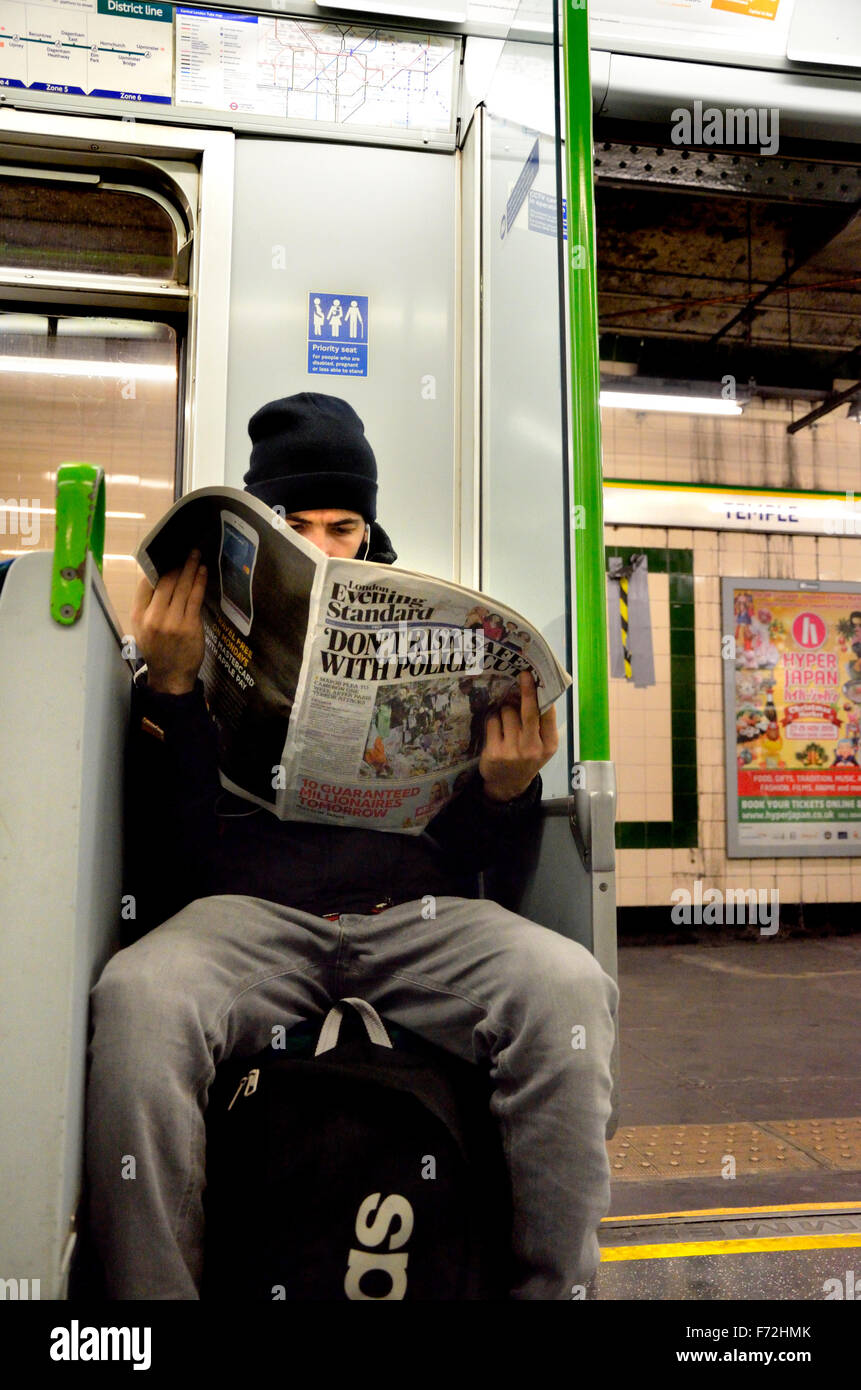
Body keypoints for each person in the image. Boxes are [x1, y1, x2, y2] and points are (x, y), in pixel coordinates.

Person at [84, 392, 617, 1301]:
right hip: (248, 917)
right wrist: (170, 692)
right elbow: (171, 865)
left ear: (369, 533)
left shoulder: (419, 630)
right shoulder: (193, 637)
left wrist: (504, 787)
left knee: (566, 990)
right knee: (138, 1002)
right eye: (292, 526)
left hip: (416, 914)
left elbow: (477, 868)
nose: (322, 547)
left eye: (342, 526)